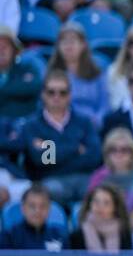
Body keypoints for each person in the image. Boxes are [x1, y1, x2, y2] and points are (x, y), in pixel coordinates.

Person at [22, 69, 102, 206]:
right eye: (51, 92)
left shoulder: (84, 122)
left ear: (70, 95)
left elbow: (94, 157)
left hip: (83, 178)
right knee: (51, 191)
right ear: (43, 95)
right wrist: (76, 148)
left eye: (62, 92)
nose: (56, 97)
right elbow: (43, 161)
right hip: (50, 181)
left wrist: (53, 149)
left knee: (100, 192)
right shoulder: (31, 126)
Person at [89, 125, 133, 222]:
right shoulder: (99, 177)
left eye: (124, 150)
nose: (118, 154)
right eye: (113, 150)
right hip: (102, 224)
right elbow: (90, 207)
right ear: (107, 153)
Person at [49, 23, 109, 128]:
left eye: (73, 40)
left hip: (94, 126)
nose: (68, 45)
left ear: (83, 44)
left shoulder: (97, 73)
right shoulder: (51, 74)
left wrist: (97, 121)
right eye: (64, 41)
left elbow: (104, 105)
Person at [69, 183, 133, 252]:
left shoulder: (124, 234)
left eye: (106, 203)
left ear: (115, 207)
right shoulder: (77, 235)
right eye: (96, 201)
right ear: (89, 204)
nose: (100, 207)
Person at [0, 183, 66, 251]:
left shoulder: (59, 235)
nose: (37, 211)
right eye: (32, 206)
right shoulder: (9, 236)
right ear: (23, 208)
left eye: (43, 206)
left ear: (49, 208)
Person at [0, 27, 40, 121]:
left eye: (4, 47)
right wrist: (18, 88)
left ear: (14, 49)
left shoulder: (28, 66)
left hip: (26, 124)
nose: (1, 51)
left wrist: (3, 90)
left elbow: (35, 86)